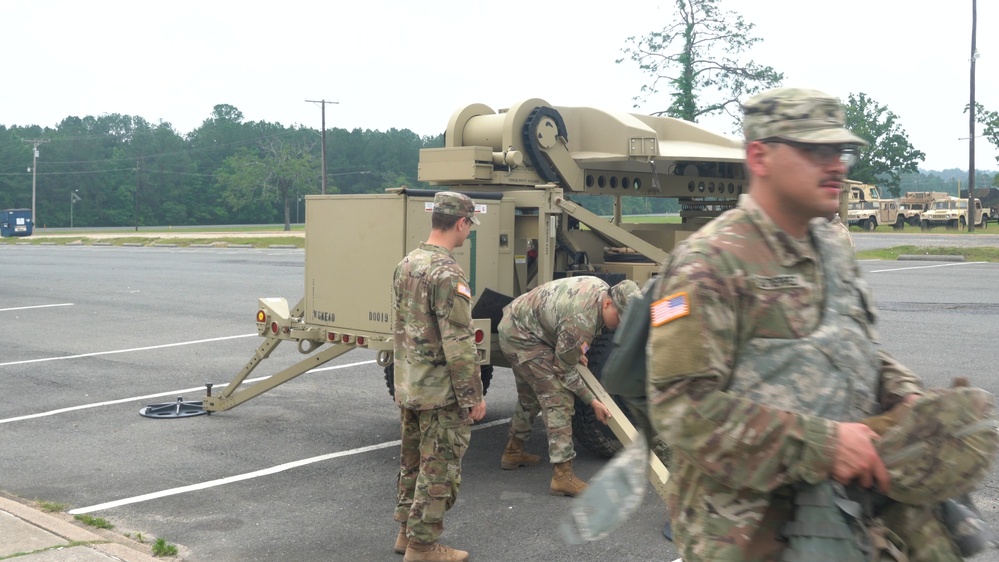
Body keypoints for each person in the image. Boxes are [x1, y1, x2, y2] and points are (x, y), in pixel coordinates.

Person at [645, 88, 966, 561]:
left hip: (848, 517)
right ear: (760, 156)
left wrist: (906, 394)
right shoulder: (706, 263)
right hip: (748, 536)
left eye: (841, 151)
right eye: (816, 150)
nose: (837, 164)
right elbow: (678, 407)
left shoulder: (832, 248)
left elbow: (851, 347)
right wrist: (824, 444)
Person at [392, 191, 486, 562]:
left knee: (412, 462)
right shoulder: (447, 272)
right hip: (440, 392)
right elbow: (459, 342)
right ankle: (422, 547)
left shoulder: (407, 263)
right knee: (439, 468)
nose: (468, 234)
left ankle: (405, 532)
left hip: (410, 384)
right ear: (461, 223)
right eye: (469, 226)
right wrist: (473, 397)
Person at [497, 275, 641, 497]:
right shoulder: (581, 319)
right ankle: (562, 477)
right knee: (558, 399)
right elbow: (564, 371)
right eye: (621, 317)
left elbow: (570, 337)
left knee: (531, 395)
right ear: (608, 303)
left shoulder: (602, 292)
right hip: (521, 335)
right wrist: (592, 401)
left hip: (525, 324)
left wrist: (574, 351)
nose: (622, 325)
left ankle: (513, 452)